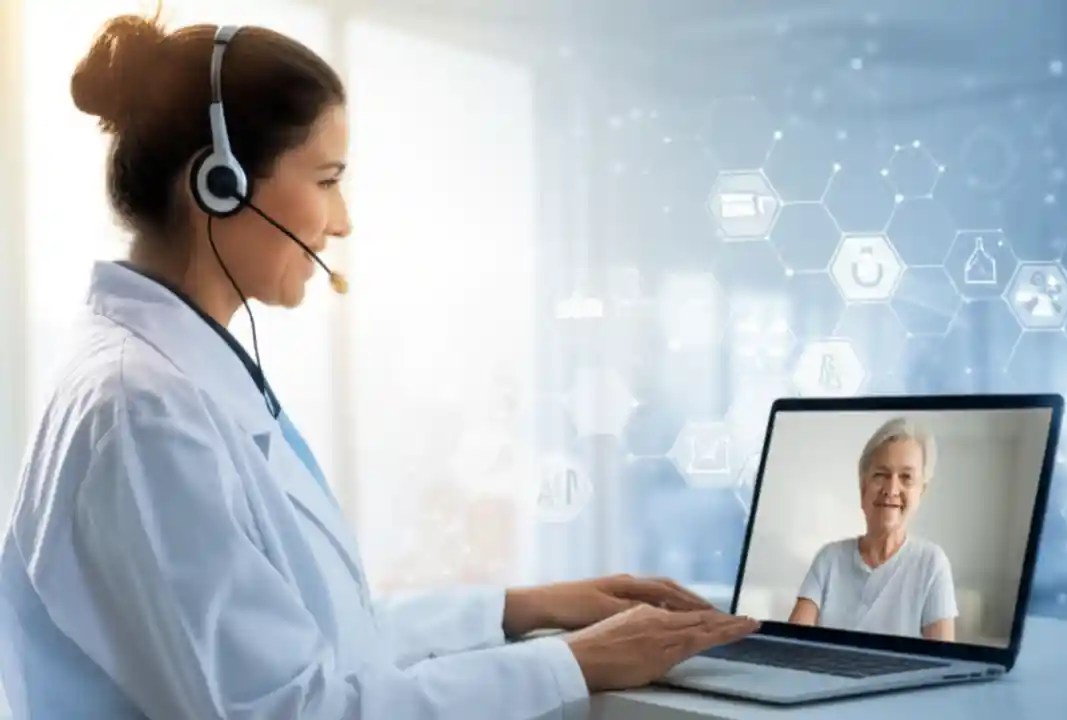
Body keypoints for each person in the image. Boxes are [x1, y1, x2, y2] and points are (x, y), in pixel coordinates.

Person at [0, 12, 757, 720]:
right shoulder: (144, 413)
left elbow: (322, 637)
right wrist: (571, 665)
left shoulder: (178, 379)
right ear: (219, 185)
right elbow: (291, 707)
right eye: (326, 179)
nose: (342, 220)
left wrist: (524, 609)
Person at [786, 417, 958, 641]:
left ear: (921, 492)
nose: (891, 488)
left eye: (906, 477)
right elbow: (791, 644)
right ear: (863, 486)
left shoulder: (932, 563)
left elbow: (943, 661)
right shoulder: (829, 559)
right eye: (881, 475)